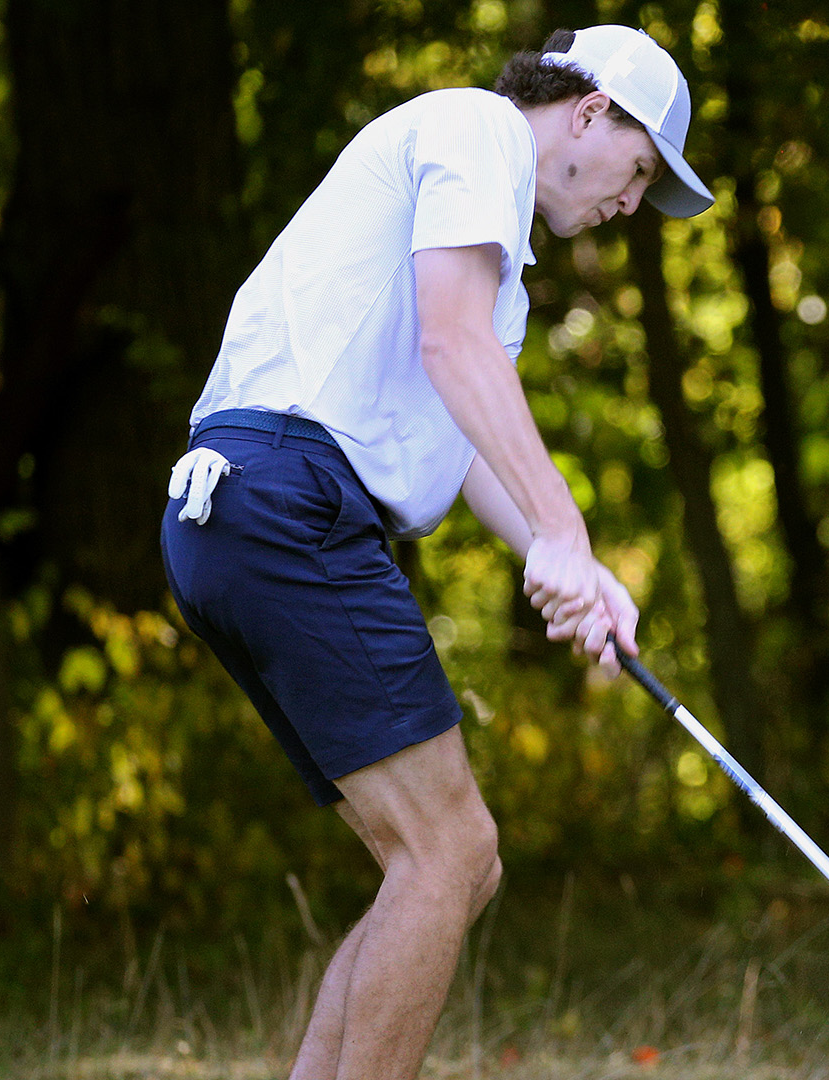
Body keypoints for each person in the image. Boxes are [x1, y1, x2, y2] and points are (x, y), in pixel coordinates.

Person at [158, 25, 713, 1080]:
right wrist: (563, 528)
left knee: (454, 864)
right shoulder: (478, 130)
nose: (633, 204)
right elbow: (449, 346)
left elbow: (463, 448)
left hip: (240, 515)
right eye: (641, 170)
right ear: (590, 111)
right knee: (447, 854)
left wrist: (579, 570)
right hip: (285, 497)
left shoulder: (496, 267)